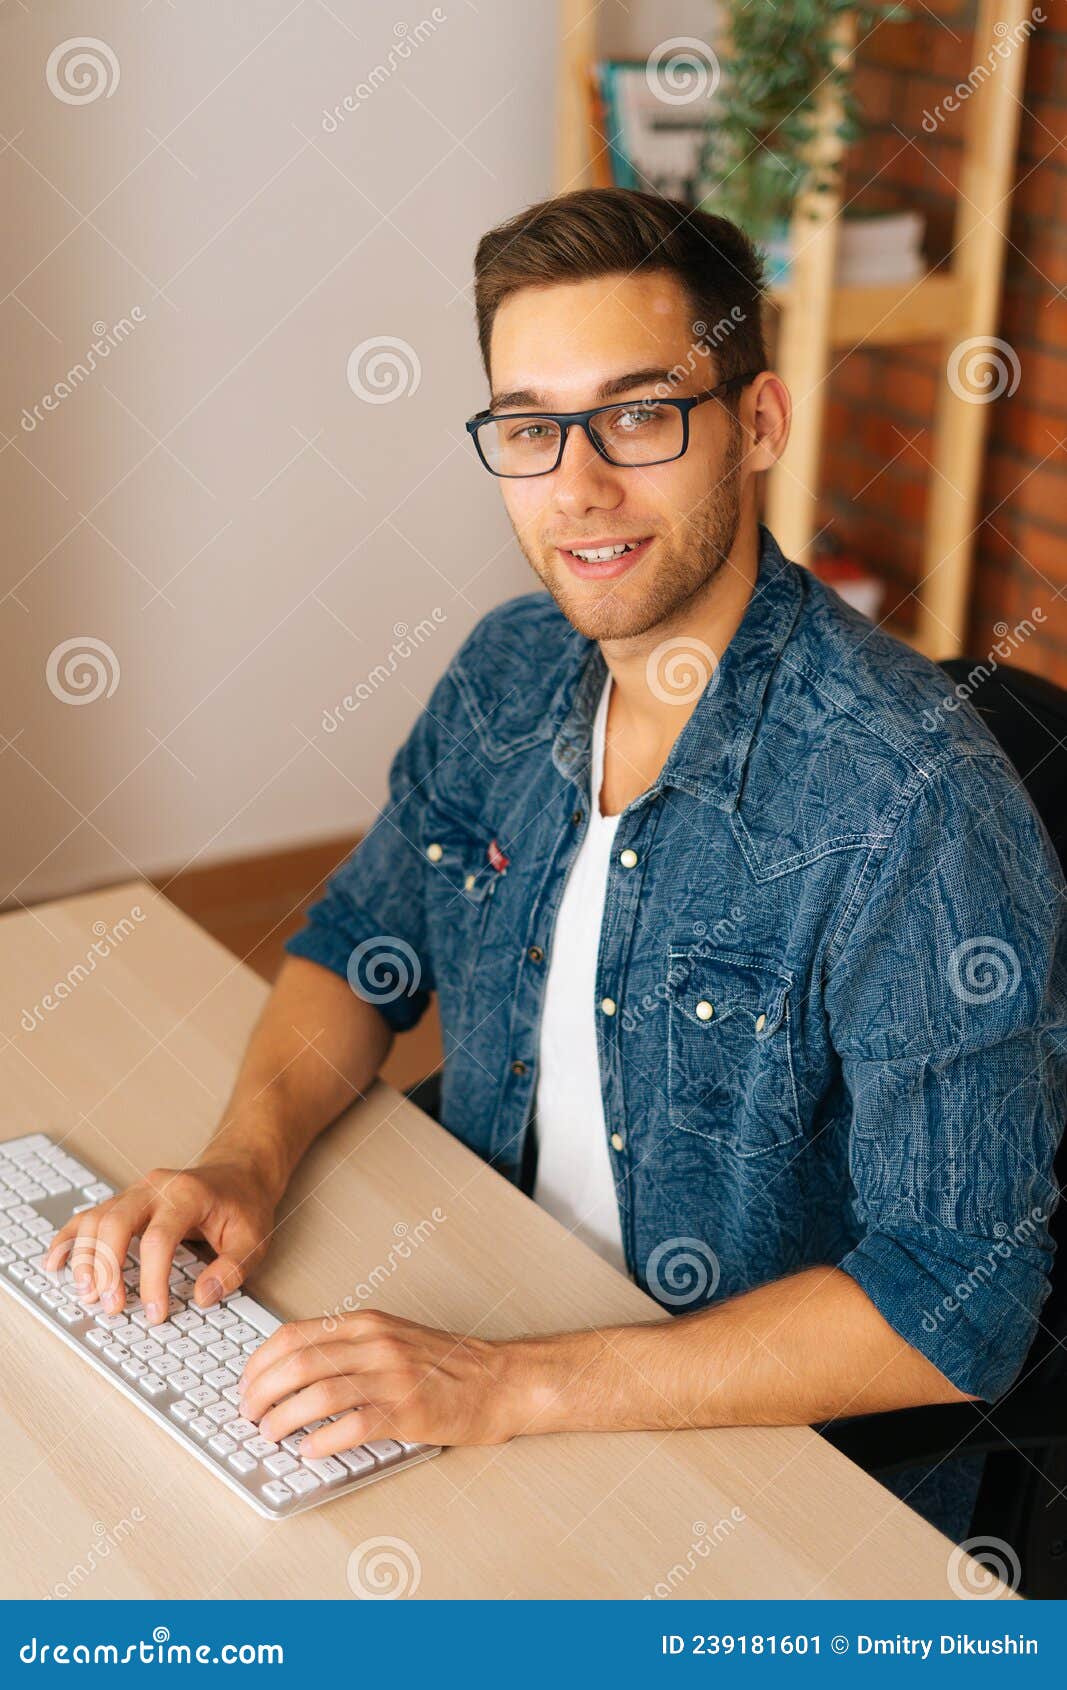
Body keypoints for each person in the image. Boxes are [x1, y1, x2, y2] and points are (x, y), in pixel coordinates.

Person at [47, 188, 1067, 1544]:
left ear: (756, 424)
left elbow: (959, 1303)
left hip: (743, 1475)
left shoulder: (911, 799)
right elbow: (363, 947)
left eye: (640, 415)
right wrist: (243, 1162)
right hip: (478, 1299)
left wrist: (505, 1386)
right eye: (530, 427)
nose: (578, 488)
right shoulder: (509, 671)